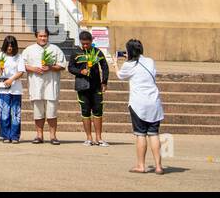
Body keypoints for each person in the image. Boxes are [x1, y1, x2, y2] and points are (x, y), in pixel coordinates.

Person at [118, 38, 165, 173]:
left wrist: (116, 64)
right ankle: (158, 166)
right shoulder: (150, 61)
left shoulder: (129, 65)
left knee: (141, 135)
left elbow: (120, 76)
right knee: (154, 134)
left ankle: (141, 165)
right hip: (154, 101)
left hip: (138, 104)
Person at [23, 28, 66, 145]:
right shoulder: (29, 50)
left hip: (51, 85)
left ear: (48, 37)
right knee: (38, 113)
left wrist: (51, 67)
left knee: (52, 112)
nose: (43, 38)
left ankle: (53, 136)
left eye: (45, 36)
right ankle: (39, 135)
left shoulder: (55, 49)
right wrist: (33, 69)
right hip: (36, 86)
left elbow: (62, 65)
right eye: (40, 36)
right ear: (36, 36)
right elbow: (22, 65)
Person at [69, 29, 111, 146]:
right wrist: (80, 71)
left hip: (96, 86)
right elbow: (70, 68)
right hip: (82, 86)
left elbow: (105, 67)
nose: (85, 46)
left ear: (92, 41)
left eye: (87, 43)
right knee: (85, 111)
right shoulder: (76, 53)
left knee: (98, 111)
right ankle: (89, 138)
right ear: (80, 42)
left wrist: (104, 82)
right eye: (83, 44)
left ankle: (99, 138)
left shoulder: (97, 52)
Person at [0, 35, 26, 143]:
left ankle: (15, 136)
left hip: (16, 88)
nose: (10, 48)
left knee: (15, 112)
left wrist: (11, 80)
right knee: (4, 112)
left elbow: (21, 71)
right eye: (8, 46)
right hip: (3, 88)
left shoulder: (19, 57)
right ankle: (6, 135)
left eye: (12, 46)